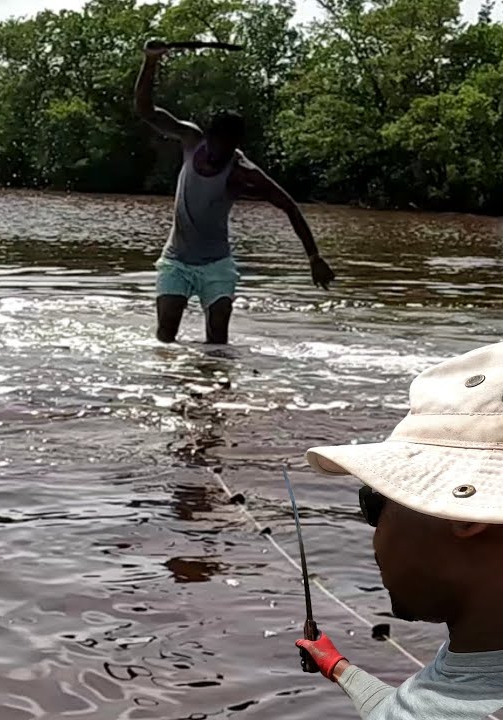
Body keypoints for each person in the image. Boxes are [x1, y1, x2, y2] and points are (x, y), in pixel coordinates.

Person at [295, 341, 503, 719]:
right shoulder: (481, 650)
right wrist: (338, 667)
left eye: (375, 503)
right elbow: (403, 709)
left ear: (465, 517)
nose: (372, 534)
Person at [134, 39, 336, 344]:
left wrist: (314, 257)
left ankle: (216, 387)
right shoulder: (191, 139)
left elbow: (288, 205)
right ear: (210, 136)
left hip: (217, 265)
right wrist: (150, 61)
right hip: (176, 260)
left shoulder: (243, 171)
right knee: (166, 337)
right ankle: (172, 386)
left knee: (217, 342)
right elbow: (146, 110)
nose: (223, 152)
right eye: (220, 144)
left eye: (231, 146)